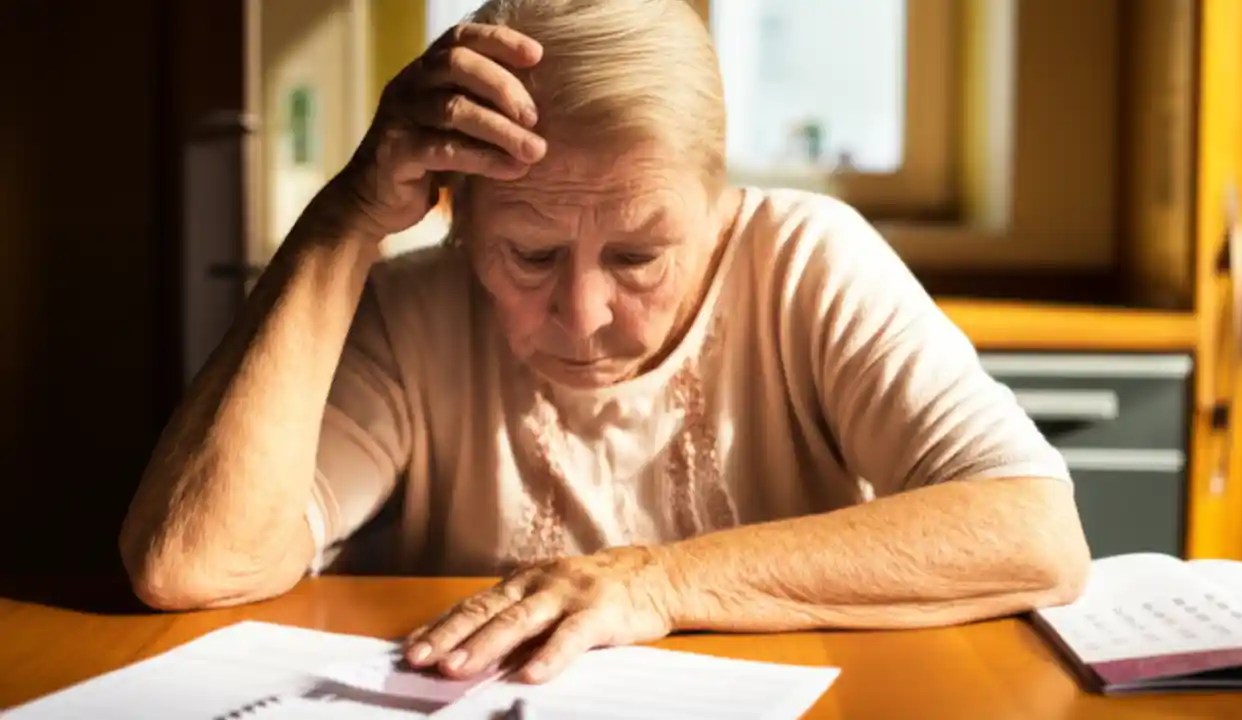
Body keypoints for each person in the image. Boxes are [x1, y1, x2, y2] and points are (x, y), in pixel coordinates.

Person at [120, 0, 1089, 684]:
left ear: (718, 210)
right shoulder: (409, 303)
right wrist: (342, 223)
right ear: (458, 222)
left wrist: (656, 580)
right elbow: (197, 564)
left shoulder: (804, 252)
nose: (582, 314)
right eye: (528, 254)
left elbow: (1031, 535)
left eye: (637, 255)